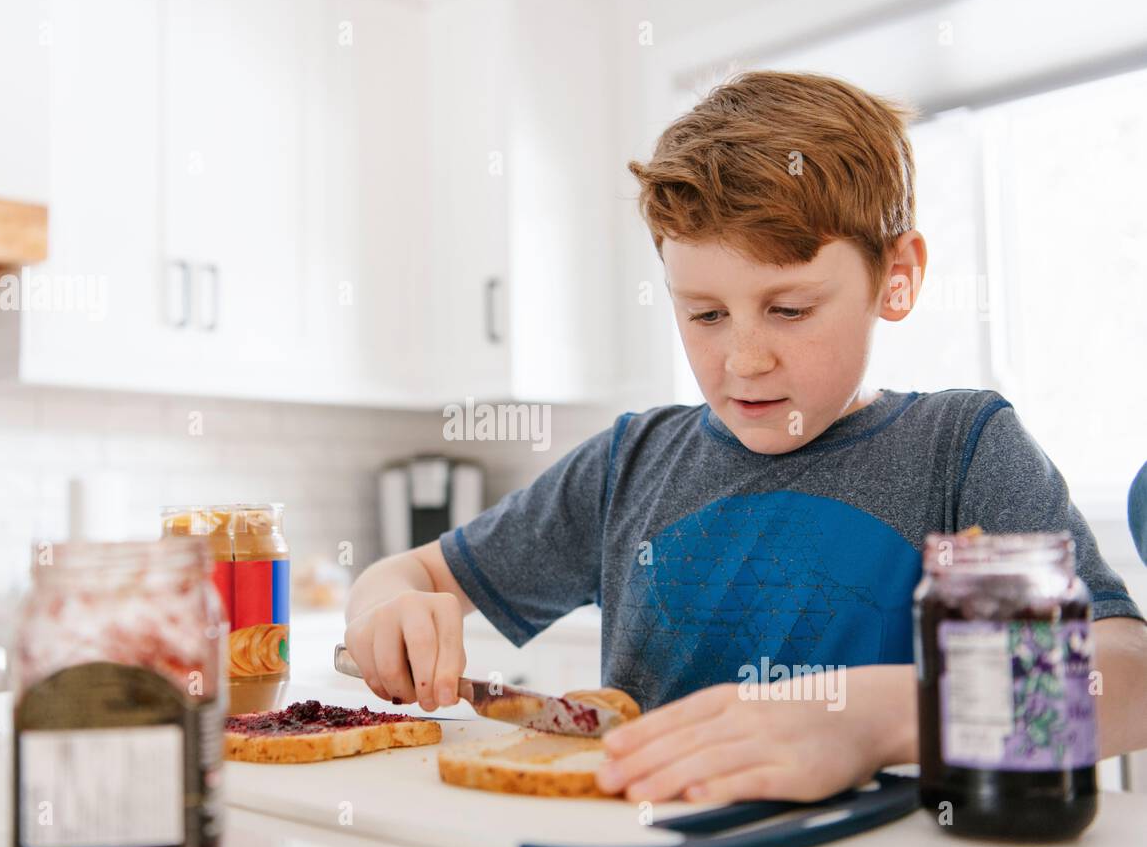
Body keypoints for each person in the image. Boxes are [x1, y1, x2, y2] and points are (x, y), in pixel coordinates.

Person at [344, 70, 1147, 804]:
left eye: (790, 309)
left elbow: (1129, 680)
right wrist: (388, 605)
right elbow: (409, 573)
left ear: (895, 275)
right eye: (704, 314)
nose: (745, 359)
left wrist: (888, 719)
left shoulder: (963, 451)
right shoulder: (629, 465)